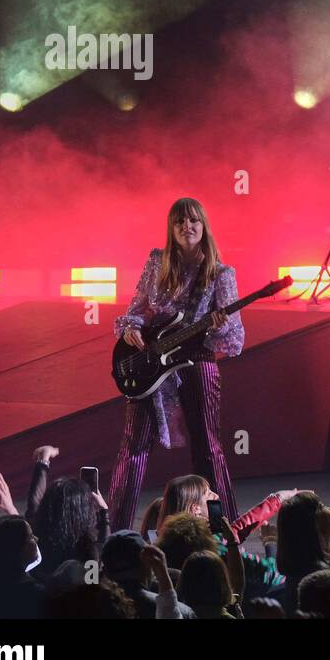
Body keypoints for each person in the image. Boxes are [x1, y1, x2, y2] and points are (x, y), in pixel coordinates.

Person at [107, 197, 245, 531]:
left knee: (208, 447)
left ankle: (224, 530)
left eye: (193, 221)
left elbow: (236, 339)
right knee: (133, 446)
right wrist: (131, 331)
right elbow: (136, 310)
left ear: (204, 226)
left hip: (195, 361)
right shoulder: (157, 262)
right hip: (152, 365)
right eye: (180, 222)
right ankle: (113, 532)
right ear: (172, 228)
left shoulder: (220, 274)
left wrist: (219, 324)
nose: (187, 227)